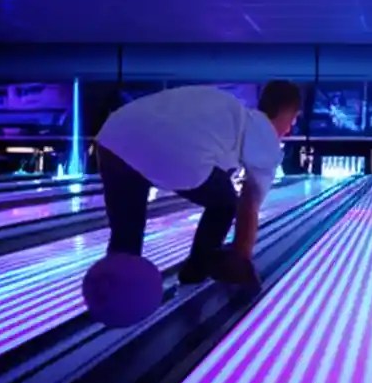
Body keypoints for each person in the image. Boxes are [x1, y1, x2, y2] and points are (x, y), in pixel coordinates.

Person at [93, 81, 301, 285]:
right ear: (287, 112)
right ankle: (196, 270)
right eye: (293, 120)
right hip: (178, 152)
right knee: (226, 204)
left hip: (113, 137)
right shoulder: (265, 138)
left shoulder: (226, 105)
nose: (290, 129)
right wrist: (241, 259)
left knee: (126, 234)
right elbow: (250, 205)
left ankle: (115, 288)